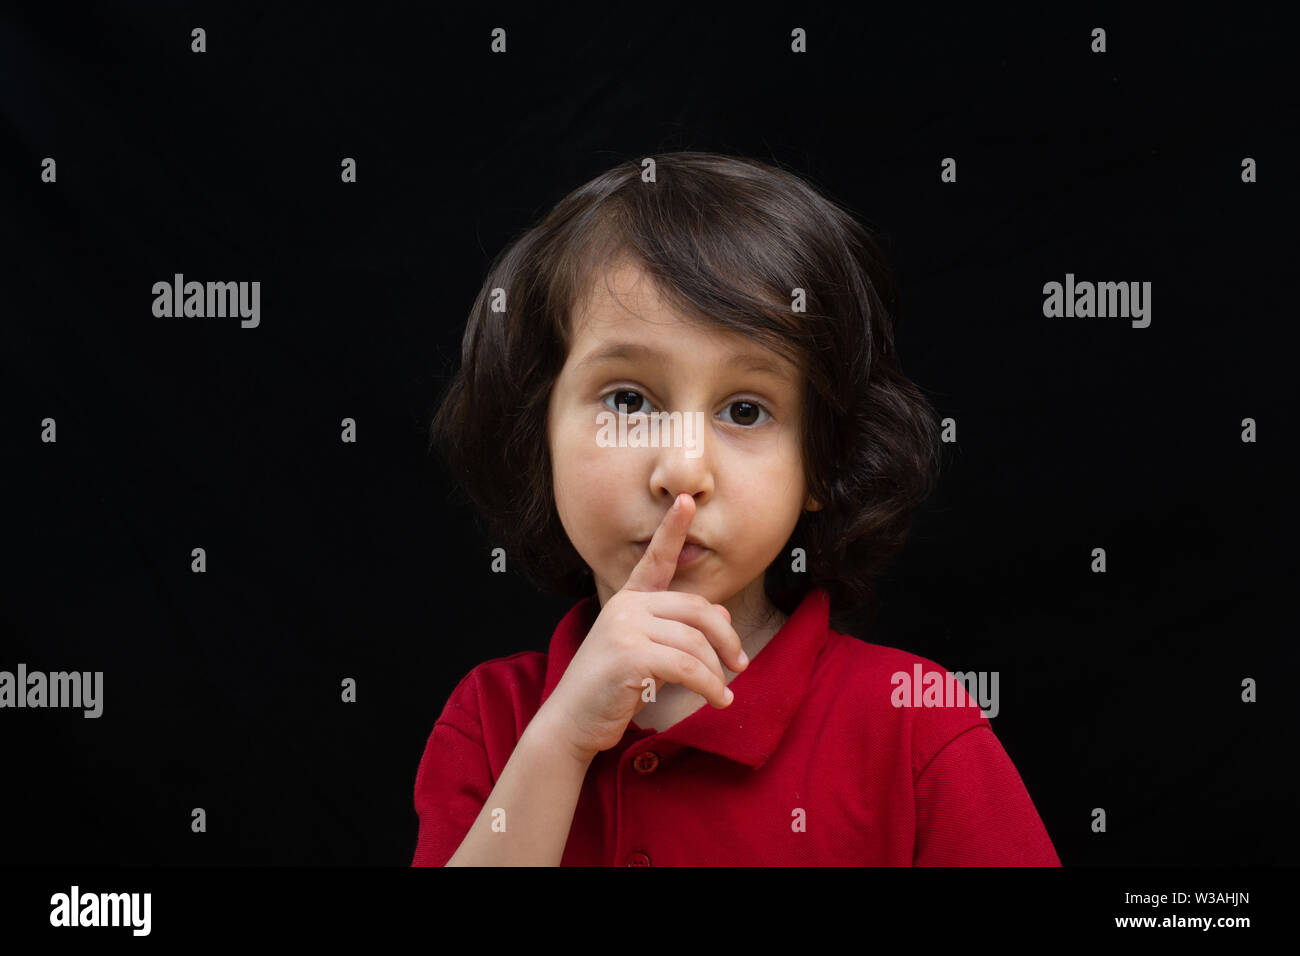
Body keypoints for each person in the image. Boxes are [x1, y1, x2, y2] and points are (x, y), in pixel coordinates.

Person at [411, 152, 1060, 866]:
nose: (683, 469)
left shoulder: (914, 722)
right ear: (537, 434)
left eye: (745, 410)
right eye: (629, 401)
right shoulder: (491, 719)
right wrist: (561, 741)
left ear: (822, 461)